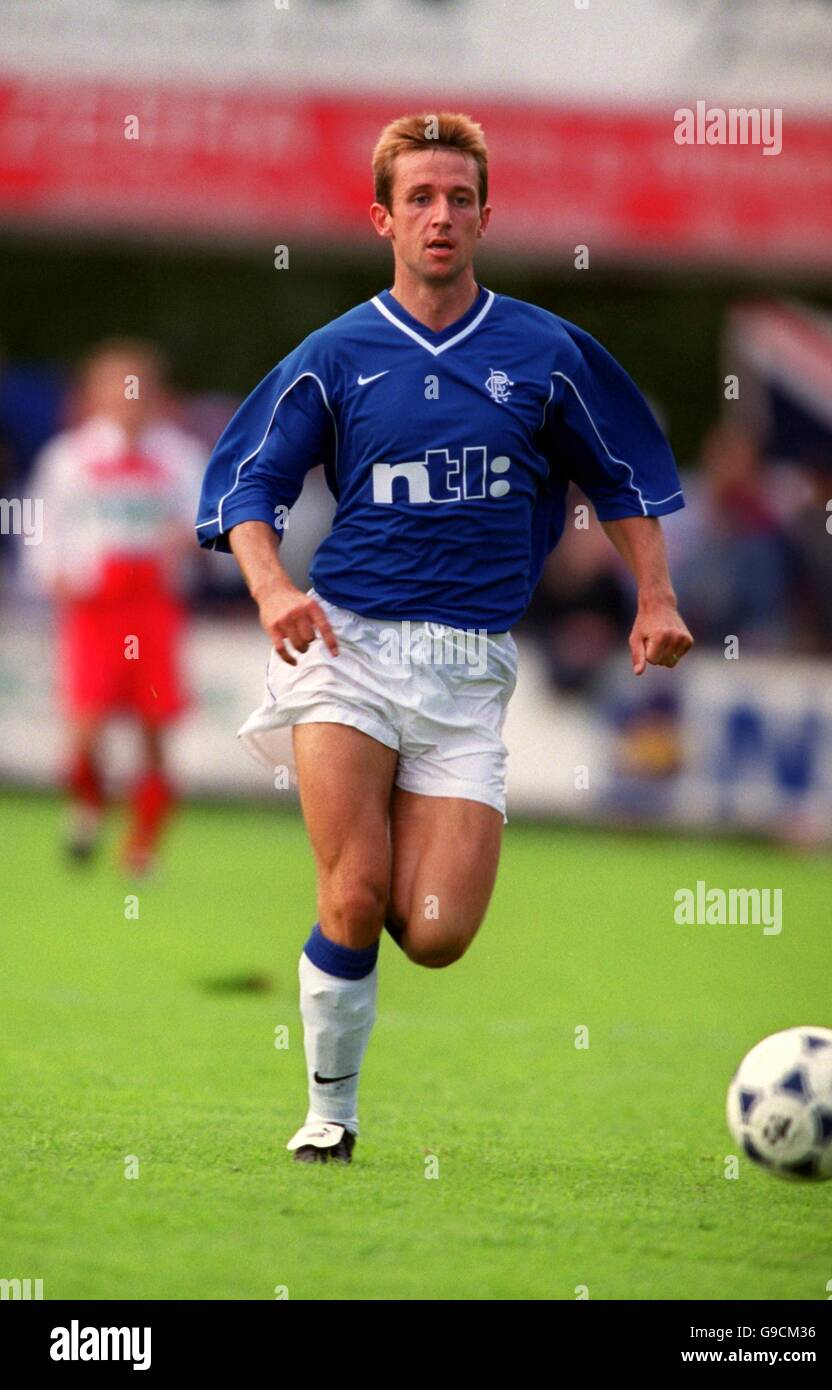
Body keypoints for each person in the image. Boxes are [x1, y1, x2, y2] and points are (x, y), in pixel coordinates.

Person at [196, 112, 694, 1164]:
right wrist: (272, 582)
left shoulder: (545, 351)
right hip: (349, 653)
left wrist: (652, 594)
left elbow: (621, 477)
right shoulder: (336, 354)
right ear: (381, 216)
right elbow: (246, 485)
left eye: (457, 198)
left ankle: (360, 890)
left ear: (483, 214)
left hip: (469, 673)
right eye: (418, 197)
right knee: (358, 891)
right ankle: (329, 1113)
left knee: (432, 932)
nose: (439, 215)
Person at [29, 338, 205, 874]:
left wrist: (189, 540)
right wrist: (51, 571)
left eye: (139, 388)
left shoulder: (178, 457)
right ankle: (88, 801)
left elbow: (208, 520)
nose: (129, 399)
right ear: (96, 395)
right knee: (85, 725)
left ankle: (143, 846)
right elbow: (40, 524)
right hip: (94, 604)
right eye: (117, 387)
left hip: (151, 603)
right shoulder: (70, 457)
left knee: (154, 725)